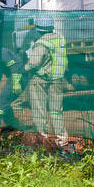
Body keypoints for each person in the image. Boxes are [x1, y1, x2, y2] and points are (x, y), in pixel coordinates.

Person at [25, 18, 70, 150]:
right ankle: (62, 139)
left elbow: (34, 63)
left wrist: (24, 69)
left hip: (41, 79)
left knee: (39, 109)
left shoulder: (41, 43)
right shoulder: (60, 39)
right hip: (58, 79)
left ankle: (42, 138)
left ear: (38, 30)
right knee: (56, 111)